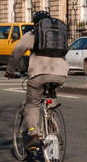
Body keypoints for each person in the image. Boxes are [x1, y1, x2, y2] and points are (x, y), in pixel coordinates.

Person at [5, 10, 69, 148]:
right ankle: (54, 129)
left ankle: (33, 134)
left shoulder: (32, 34)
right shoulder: (58, 35)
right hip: (61, 74)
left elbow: (16, 54)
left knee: (33, 104)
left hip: (39, 74)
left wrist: (10, 71)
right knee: (49, 99)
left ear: (35, 23)